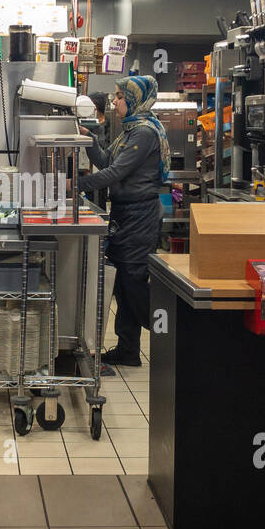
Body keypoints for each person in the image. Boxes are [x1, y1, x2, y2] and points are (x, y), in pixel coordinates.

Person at [77, 75, 170, 373]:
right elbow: (106, 161)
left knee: (133, 280)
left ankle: (167, 331)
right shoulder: (129, 131)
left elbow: (114, 173)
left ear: (134, 99)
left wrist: (74, 184)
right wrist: (88, 140)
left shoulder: (143, 132)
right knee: (123, 283)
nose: (115, 101)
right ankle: (128, 349)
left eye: (119, 96)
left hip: (140, 215)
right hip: (124, 214)